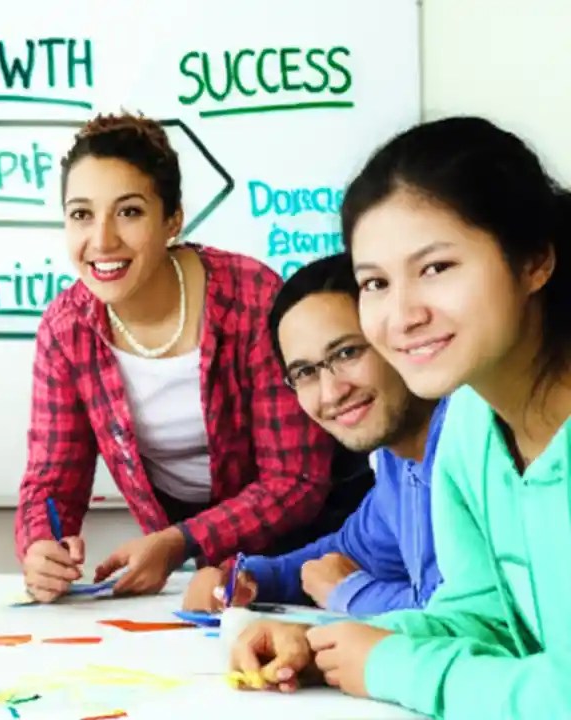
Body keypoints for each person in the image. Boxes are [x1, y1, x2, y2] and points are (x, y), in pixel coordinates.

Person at [230, 116, 571, 718]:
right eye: (376, 283)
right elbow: (485, 619)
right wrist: (324, 648)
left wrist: (389, 663)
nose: (402, 314)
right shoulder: (471, 423)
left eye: (436, 268)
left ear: (534, 260)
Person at [16, 112, 341, 603]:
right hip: (195, 575)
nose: (101, 240)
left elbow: (295, 478)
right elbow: (51, 481)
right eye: (81, 214)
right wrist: (40, 543)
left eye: (128, 212)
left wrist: (181, 542)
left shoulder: (252, 298)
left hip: (309, 556)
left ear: (172, 219)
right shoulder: (66, 331)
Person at [183, 253, 444, 616]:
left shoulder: (471, 441)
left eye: (348, 352)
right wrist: (243, 578)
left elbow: (472, 614)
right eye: (305, 372)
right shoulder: (395, 463)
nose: (331, 392)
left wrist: (348, 591)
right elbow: (345, 554)